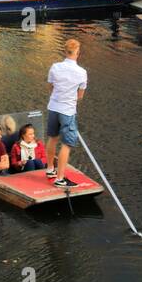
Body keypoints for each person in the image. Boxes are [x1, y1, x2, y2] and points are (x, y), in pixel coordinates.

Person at [45, 38, 87, 189]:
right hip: (67, 111)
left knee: (52, 138)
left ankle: (50, 169)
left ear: (65, 51)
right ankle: (60, 178)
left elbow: (50, 87)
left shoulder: (55, 67)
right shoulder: (82, 73)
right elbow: (80, 96)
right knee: (67, 144)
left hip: (53, 107)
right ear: (78, 53)